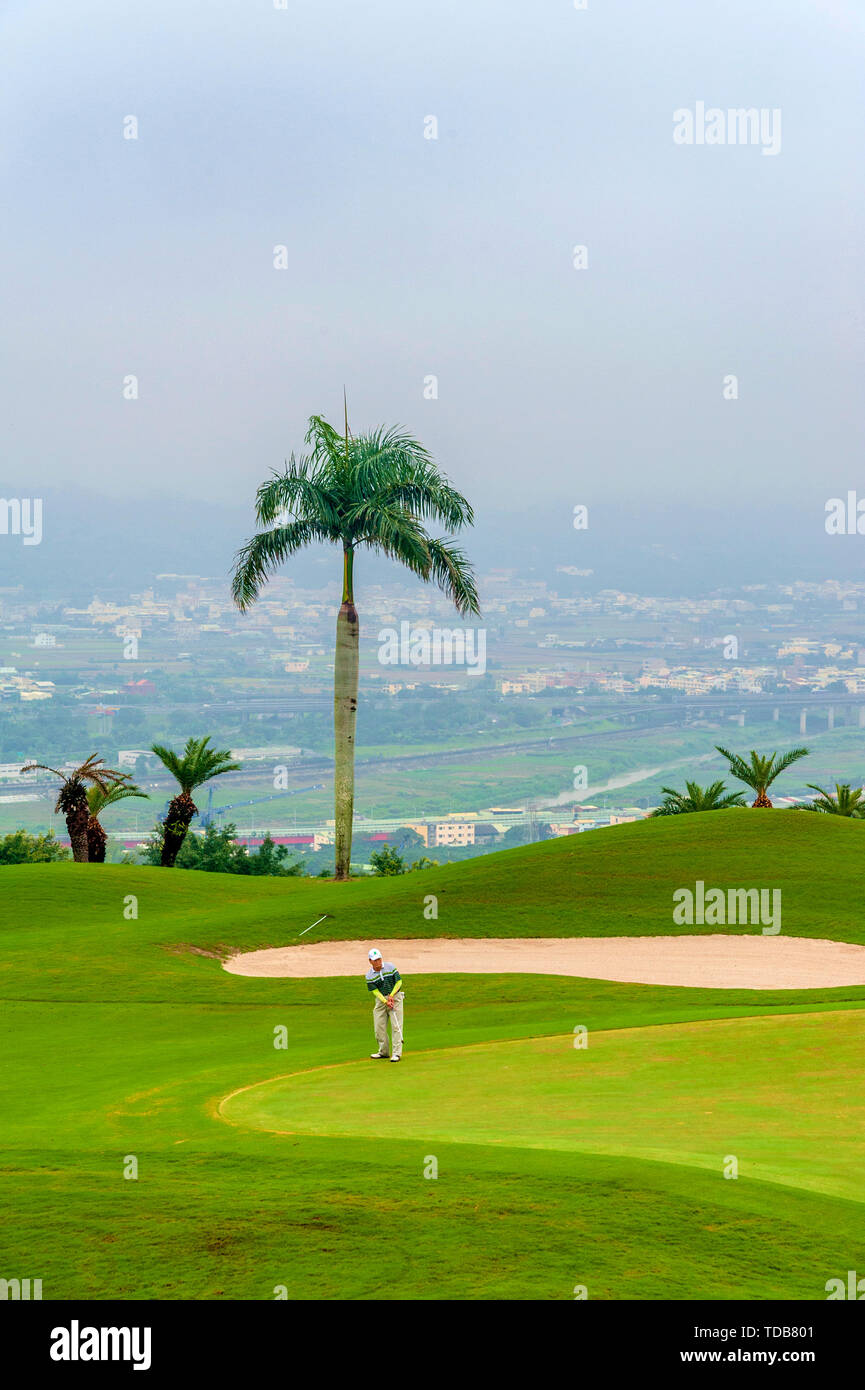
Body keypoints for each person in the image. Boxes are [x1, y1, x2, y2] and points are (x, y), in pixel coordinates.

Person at [366, 947, 404, 1062]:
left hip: (395, 997)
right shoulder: (369, 975)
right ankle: (384, 1052)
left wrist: (391, 996)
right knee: (379, 1027)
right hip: (381, 1001)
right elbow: (375, 991)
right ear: (370, 961)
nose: (378, 962)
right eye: (375, 960)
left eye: (379, 959)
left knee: (396, 1026)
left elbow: (399, 982)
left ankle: (397, 1053)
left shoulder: (390, 967)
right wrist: (385, 1001)